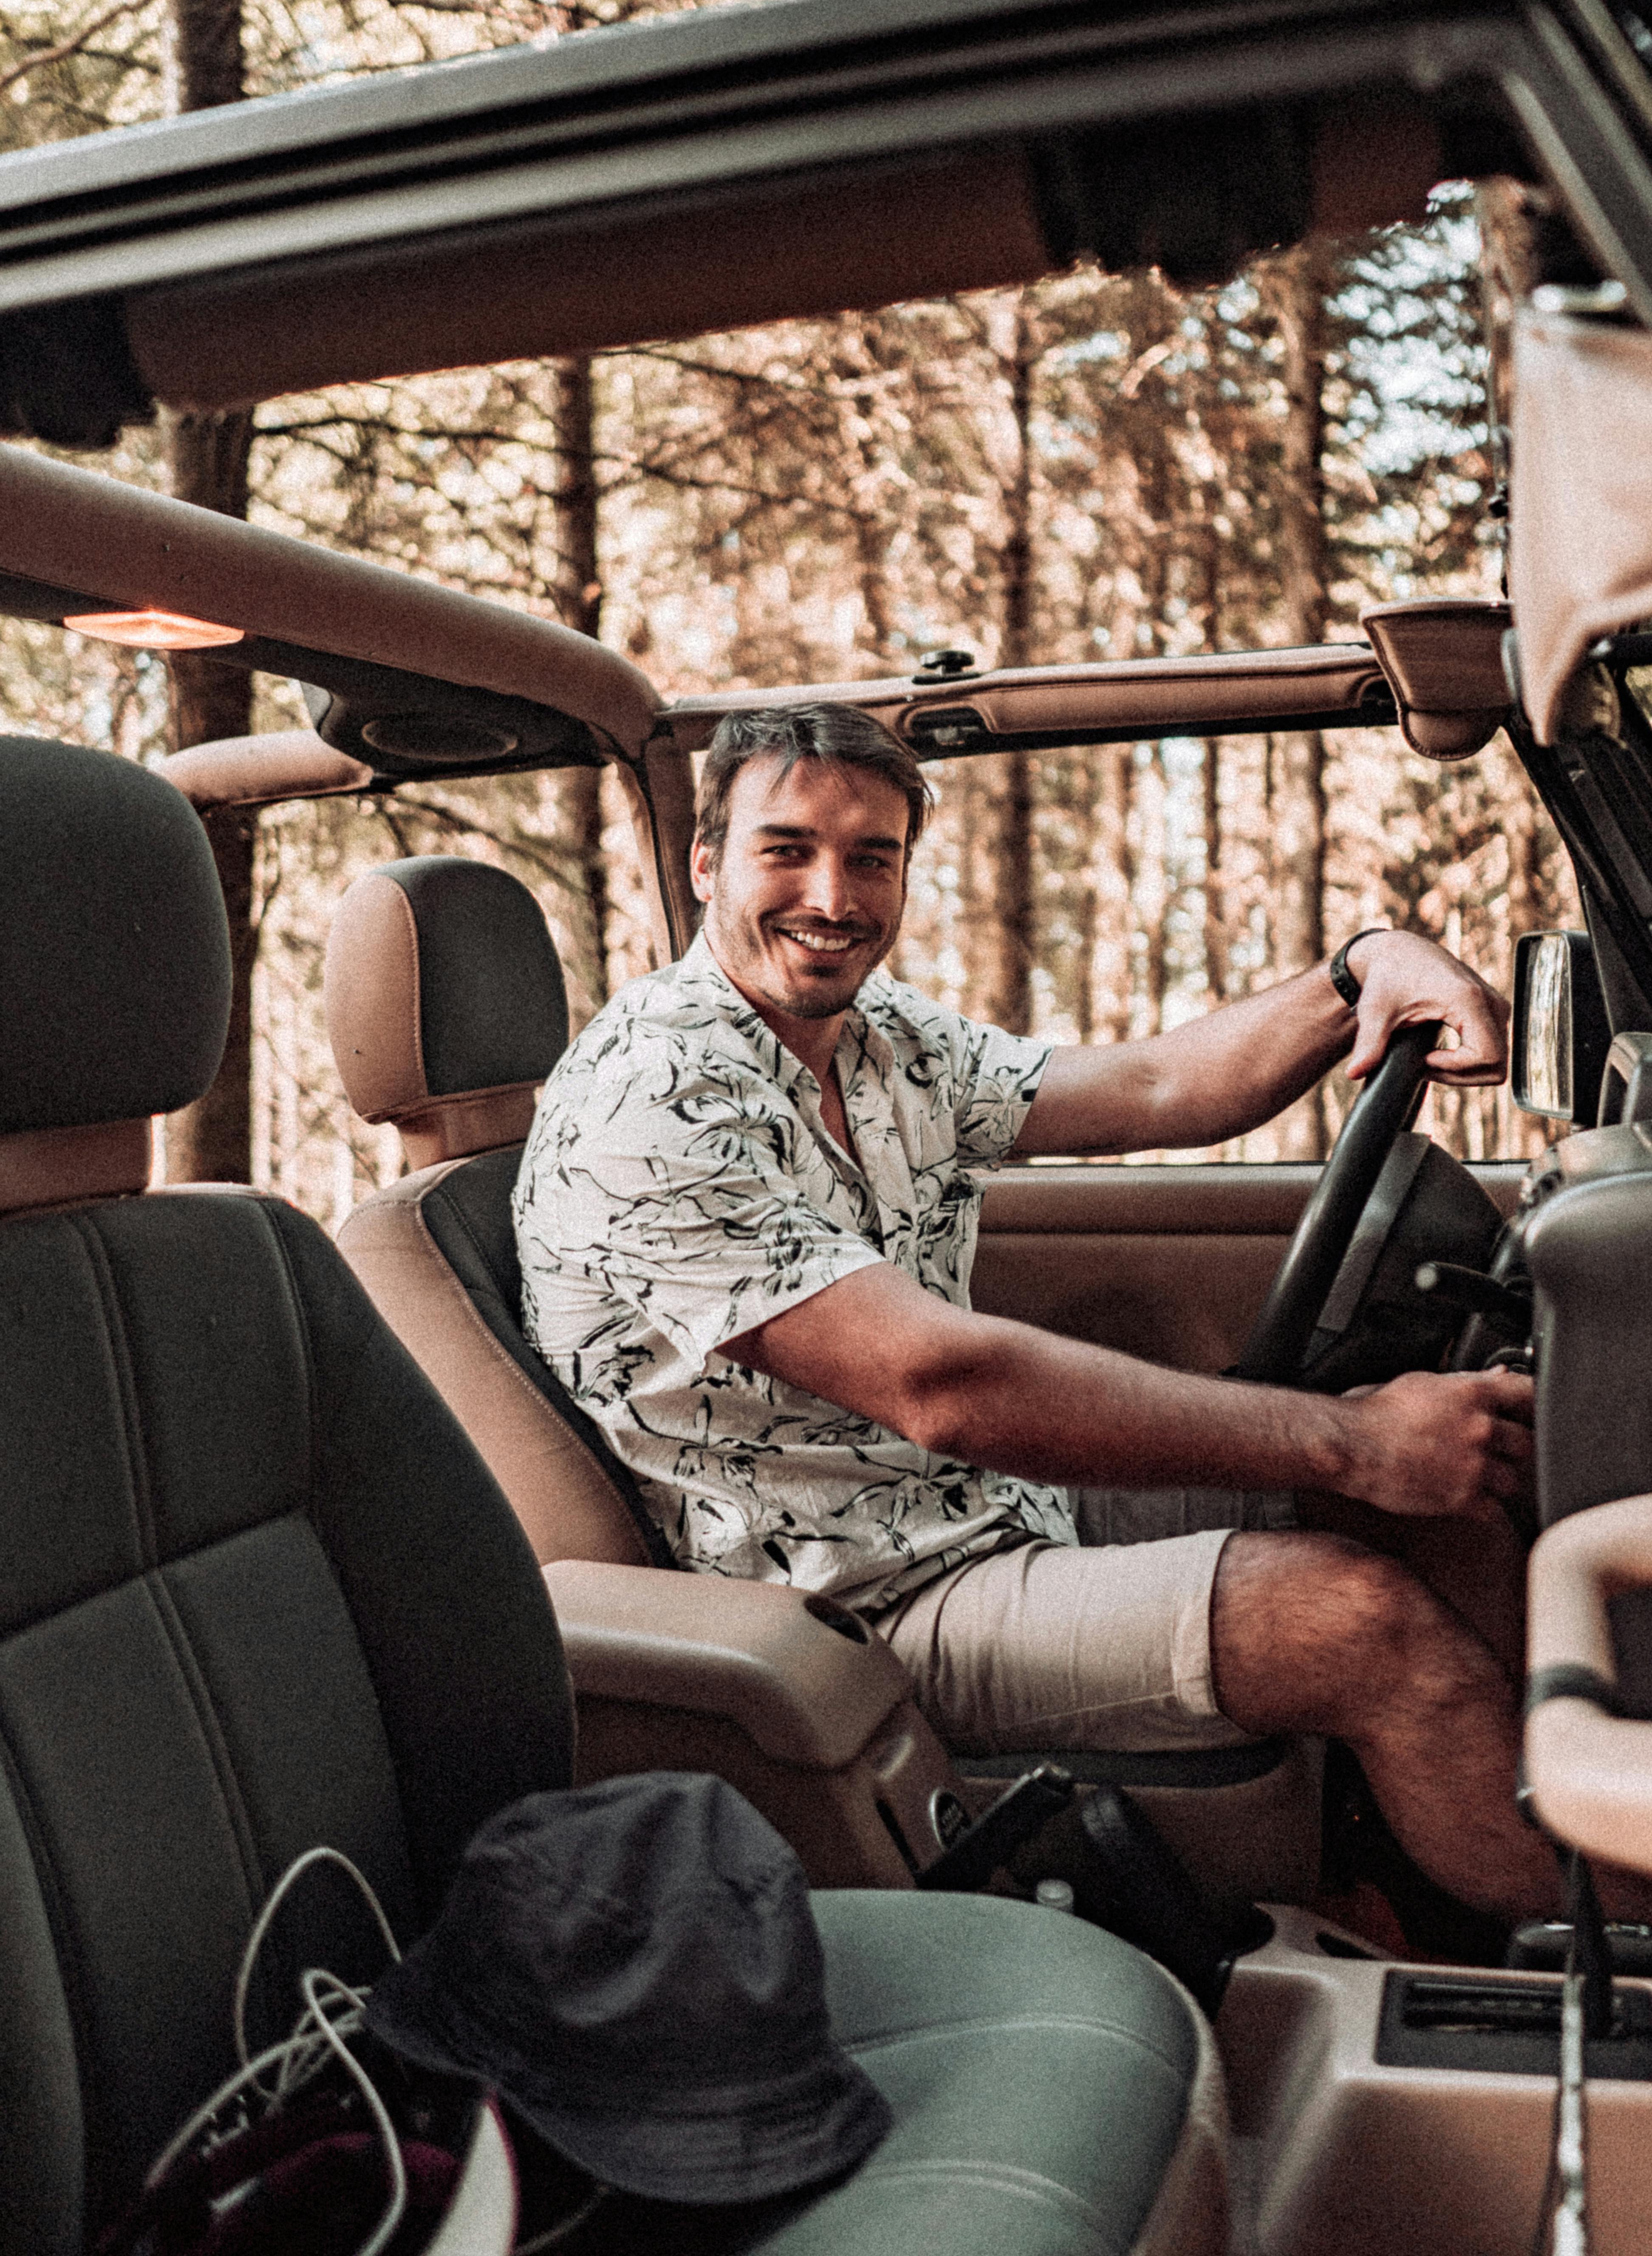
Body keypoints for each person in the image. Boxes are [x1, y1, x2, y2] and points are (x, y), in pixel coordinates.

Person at [514, 703, 1565, 1922]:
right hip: (854, 1604)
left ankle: (1517, 1848)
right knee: (1358, 1623)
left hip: (987, 1508)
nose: (834, 897)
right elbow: (941, 1385)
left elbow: (1158, 1085)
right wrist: (1350, 1437)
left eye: (871, 858)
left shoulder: (878, 1038)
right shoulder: (650, 1101)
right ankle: (1634, 1964)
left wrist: (1363, 971)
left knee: (1447, 1506)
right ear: (707, 864)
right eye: (786, 850)